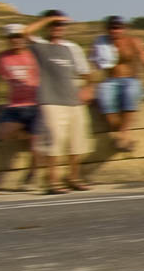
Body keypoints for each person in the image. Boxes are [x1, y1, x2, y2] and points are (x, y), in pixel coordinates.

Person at [25, 10, 94, 193]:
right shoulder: (40, 46)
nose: (58, 28)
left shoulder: (71, 48)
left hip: (73, 100)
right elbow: (26, 32)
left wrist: (88, 88)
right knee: (54, 141)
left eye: (61, 24)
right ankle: (52, 181)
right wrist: (50, 18)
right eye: (55, 25)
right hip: (51, 100)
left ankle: (73, 177)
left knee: (77, 142)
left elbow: (85, 72)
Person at [90, 16, 144, 152]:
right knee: (104, 100)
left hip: (130, 79)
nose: (115, 31)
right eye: (112, 28)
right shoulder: (101, 44)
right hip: (110, 81)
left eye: (118, 27)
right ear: (107, 29)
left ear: (124, 28)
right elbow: (92, 66)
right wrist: (89, 86)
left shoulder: (134, 42)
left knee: (130, 92)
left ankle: (124, 134)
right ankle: (124, 135)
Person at [0, 25, 45, 190]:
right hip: (14, 106)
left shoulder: (34, 54)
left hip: (36, 104)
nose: (16, 40)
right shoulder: (1, 58)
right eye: (12, 37)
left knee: (35, 145)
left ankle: (32, 176)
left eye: (19, 36)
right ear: (7, 39)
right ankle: (30, 134)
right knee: (3, 134)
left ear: (24, 38)